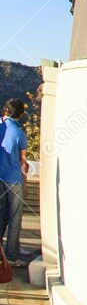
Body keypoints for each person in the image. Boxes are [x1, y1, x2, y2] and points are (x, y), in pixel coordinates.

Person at [0, 99, 29, 267]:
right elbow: (23, 162)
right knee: (15, 217)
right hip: (13, 179)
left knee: (1, 215)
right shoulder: (19, 133)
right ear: (19, 114)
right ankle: (11, 255)